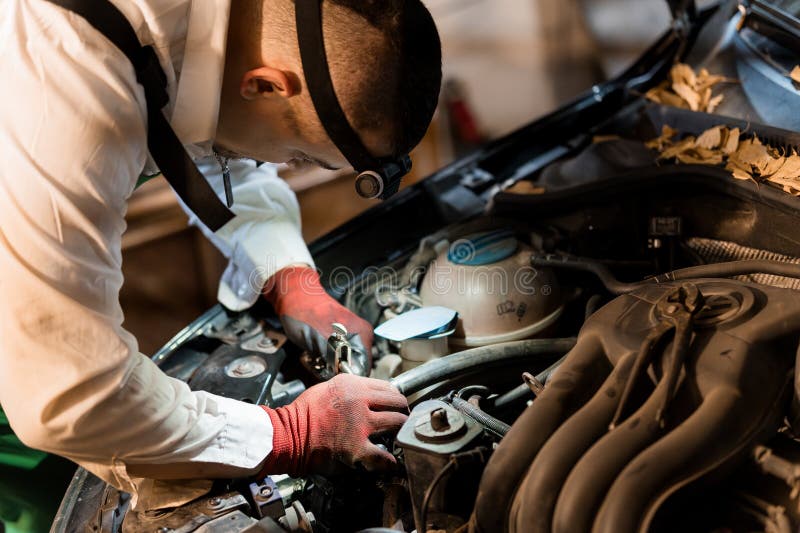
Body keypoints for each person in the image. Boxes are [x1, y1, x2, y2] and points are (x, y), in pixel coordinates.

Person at [0, 0, 442, 523]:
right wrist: (288, 434)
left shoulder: (220, 34)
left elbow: (208, 132)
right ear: (266, 85)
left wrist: (288, 276)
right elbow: (72, 390)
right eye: (300, 156)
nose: (285, 165)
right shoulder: (68, 88)